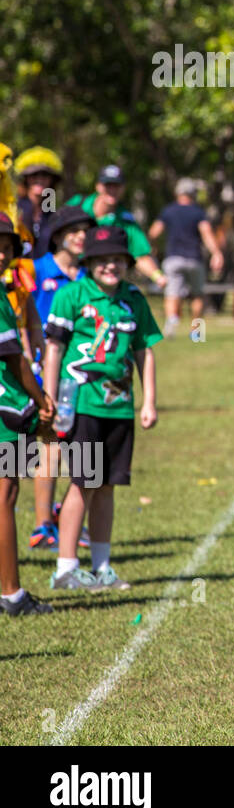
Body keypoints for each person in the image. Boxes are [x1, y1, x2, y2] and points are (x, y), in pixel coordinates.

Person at [43, 226, 161, 591]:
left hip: (120, 408)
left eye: (117, 259)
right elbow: (54, 350)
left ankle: (101, 567)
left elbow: (144, 350)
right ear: (88, 262)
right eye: (101, 259)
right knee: (83, 483)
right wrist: (48, 397)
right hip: (81, 406)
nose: (110, 265)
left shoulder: (134, 299)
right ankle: (65, 568)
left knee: (108, 486)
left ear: (126, 263)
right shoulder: (72, 295)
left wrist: (149, 400)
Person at [27, 206, 95, 550]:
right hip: (40, 373)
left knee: (84, 454)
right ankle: (42, 526)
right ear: (58, 235)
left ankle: (69, 520)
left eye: (87, 230)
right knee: (49, 447)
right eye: (76, 230)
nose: (83, 236)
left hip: (81, 378)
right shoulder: (37, 270)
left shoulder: (90, 277)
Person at [0, 214, 55, 615]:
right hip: (8, 408)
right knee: (3, 495)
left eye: (7, 245)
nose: (2, 252)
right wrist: (42, 398)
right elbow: (14, 359)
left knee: (9, 492)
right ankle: (12, 594)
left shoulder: (8, 290)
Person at [67, 165, 167, 292]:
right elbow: (55, 229)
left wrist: (158, 277)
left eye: (117, 186)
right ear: (98, 186)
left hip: (97, 281)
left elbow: (140, 255)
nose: (112, 190)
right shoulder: (77, 204)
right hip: (68, 271)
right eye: (108, 185)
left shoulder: (126, 221)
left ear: (123, 188)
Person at [148, 179, 225, 338]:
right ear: (193, 194)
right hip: (194, 259)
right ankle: (197, 333)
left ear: (178, 193)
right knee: (197, 295)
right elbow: (206, 233)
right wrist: (216, 253)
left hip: (173, 258)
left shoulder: (168, 211)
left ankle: (171, 324)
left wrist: (151, 248)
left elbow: (154, 232)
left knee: (172, 294)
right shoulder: (198, 212)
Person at [13, 146, 63, 246]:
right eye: (34, 175)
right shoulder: (14, 208)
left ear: (52, 180)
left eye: (45, 175)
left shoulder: (52, 212)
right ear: (26, 179)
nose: (39, 180)